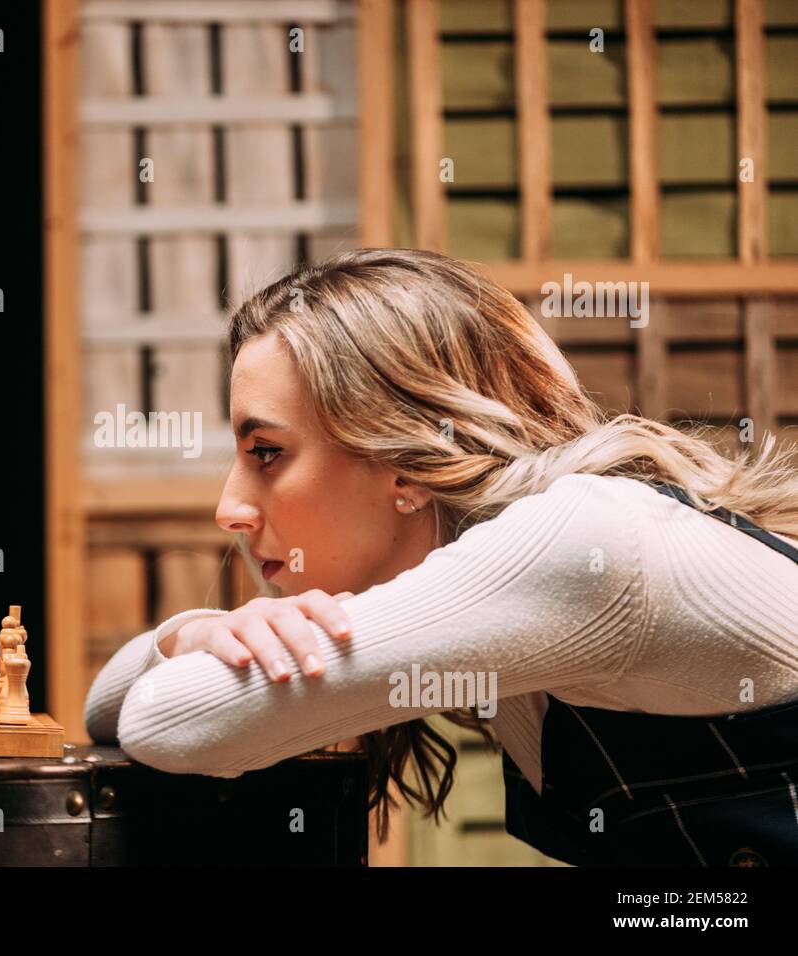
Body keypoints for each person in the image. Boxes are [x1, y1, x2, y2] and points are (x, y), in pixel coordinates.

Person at [82, 248, 798, 866]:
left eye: (266, 453)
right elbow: (108, 709)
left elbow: (170, 725)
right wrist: (195, 631)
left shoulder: (582, 545)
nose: (228, 508)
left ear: (406, 462)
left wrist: (189, 646)